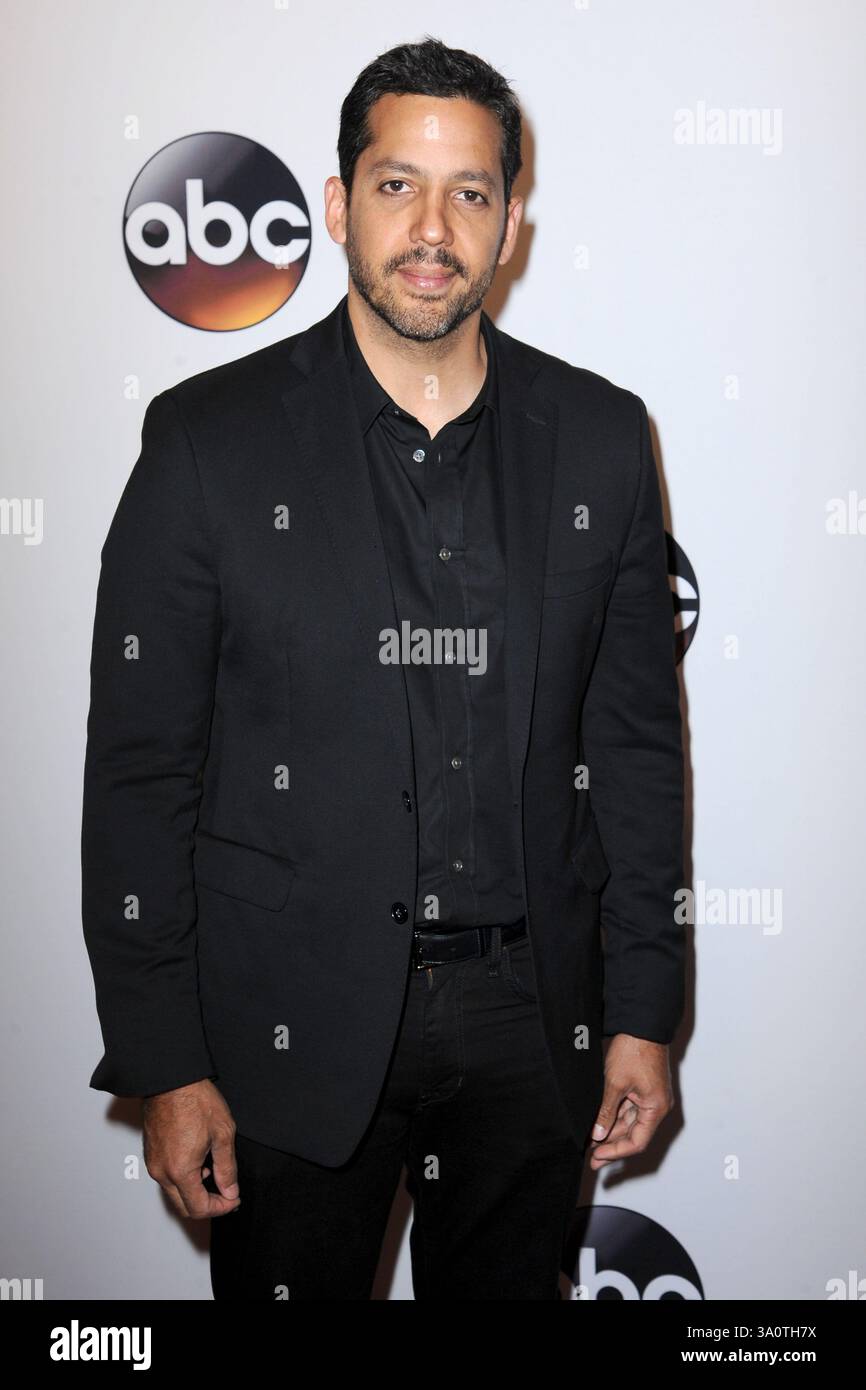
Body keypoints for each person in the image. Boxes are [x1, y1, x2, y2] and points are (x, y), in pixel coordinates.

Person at [81, 35, 685, 1300]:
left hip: (533, 1026)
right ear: (337, 200)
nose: (431, 226)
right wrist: (163, 1060)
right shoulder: (205, 445)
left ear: (510, 223)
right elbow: (142, 775)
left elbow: (632, 750)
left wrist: (641, 1009)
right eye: (396, 184)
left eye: (468, 191)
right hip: (285, 1030)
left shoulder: (598, 440)